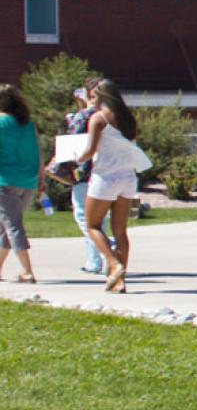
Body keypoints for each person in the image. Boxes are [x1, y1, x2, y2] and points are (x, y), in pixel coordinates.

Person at [76, 79, 151, 293]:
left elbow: (90, 151)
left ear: (99, 97)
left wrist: (76, 159)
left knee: (92, 225)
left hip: (105, 176)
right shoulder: (129, 119)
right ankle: (119, 281)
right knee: (120, 231)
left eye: (93, 96)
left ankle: (113, 263)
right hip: (128, 177)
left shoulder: (98, 118)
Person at [0, 84, 42, 284]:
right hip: (28, 181)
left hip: (5, 180)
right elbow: (38, 151)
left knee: (13, 225)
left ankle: (27, 270)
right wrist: (42, 178)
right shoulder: (28, 124)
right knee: (6, 226)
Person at [66, 79, 108, 274]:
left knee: (85, 218)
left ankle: (108, 249)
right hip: (106, 172)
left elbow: (73, 133)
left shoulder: (86, 115)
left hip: (84, 173)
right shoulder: (112, 115)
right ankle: (94, 261)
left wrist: (76, 113)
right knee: (100, 218)